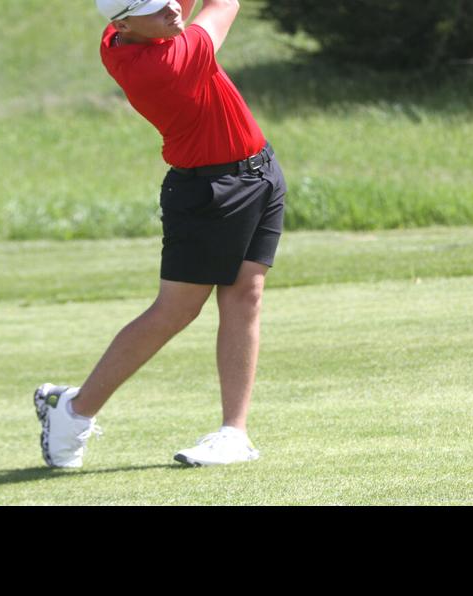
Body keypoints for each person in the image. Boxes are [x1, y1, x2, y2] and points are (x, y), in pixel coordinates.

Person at [36, 0, 284, 468]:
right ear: (123, 22)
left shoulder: (126, 34)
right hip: (210, 191)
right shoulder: (168, 61)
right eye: (155, 7)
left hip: (260, 173)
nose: (173, 9)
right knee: (175, 310)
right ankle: (73, 412)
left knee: (245, 295)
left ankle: (234, 433)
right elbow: (224, 3)